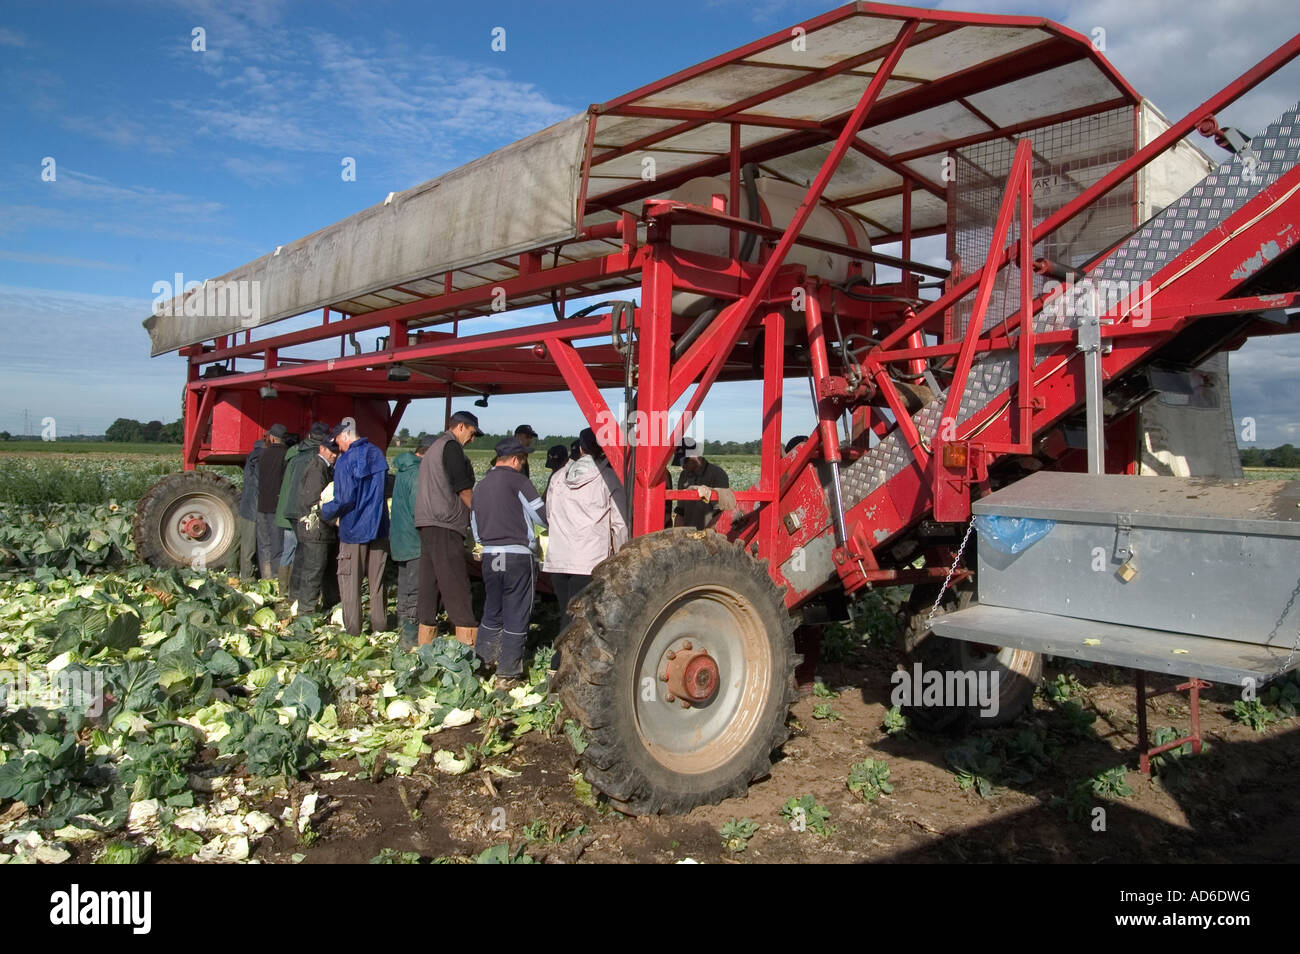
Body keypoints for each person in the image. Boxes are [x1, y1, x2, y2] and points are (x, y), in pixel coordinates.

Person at [544, 430, 629, 654]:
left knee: (566, 615)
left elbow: (550, 515)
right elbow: (619, 524)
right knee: (584, 624)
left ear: (580, 449)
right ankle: (564, 670)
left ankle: (556, 668)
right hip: (590, 560)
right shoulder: (609, 478)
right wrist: (622, 556)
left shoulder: (558, 477)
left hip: (559, 559)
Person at [471, 437, 547, 684]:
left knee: (493, 608)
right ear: (515, 459)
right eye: (523, 460)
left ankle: (483, 663)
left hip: (491, 556)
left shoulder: (481, 486)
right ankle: (508, 672)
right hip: (517, 556)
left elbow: (474, 526)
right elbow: (540, 516)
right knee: (516, 610)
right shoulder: (519, 481)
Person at [414, 410, 481, 647]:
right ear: (461, 427)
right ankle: (468, 648)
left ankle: (425, 644)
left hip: (427, 522)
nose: (472, 440)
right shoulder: (451, 448)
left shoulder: (433, 448)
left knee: (429, 584)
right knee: (456, 585)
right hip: (445, 522)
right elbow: (463, 488)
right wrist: (480, 514)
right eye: (472, 434)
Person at [320, 419, 391, 636]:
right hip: (379, 526)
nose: (337, 448)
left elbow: (345, 499)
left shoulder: (345, 461)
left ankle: (354, 631)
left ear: (345, 436)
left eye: (337, 443)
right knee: (377, 581)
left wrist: (325, 511)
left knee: (350, 581)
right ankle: (380, 626)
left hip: (354, 528)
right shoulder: (377, 454)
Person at [390, 433, 434, 649]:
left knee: (405, 586)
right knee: (416, 590)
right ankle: (410, 637)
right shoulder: (418, 474)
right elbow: (421, 511)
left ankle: (402, 629)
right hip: (414, 540)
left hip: (400, 538)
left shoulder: (404, 469)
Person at [279, 422, 329, 600]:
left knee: (297, 553)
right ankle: (304, 597)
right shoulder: (317, 459)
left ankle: (289, 593)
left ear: (309, 435)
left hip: (291, 509)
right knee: (308, 556)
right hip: (304, 510)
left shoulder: (296, 454)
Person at [291, 438, 339, 614]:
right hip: (315, 530)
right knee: (314, 570)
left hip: (318, 530)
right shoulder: (317, 469)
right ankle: (306, 610)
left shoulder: (322, 467)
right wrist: (333, 519)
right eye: (331, 451)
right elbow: (313, 501)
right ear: (322, 448)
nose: (334, 455)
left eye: (336, 451)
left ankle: (325, 605)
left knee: (320, 569)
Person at [673, 437, 729, 530]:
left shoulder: (717, 475)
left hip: (710, 534)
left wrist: (706, 535)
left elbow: (721, 513)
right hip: (688, 534)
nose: (683, 466)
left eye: (684, 461)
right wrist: (677, 534)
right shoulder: (684, 475)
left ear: (696, 456)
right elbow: (680, 511)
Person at [255, 424, 289, 579]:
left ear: (272, 437)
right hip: (277, 506)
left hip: (262, 504)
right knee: (278, 545)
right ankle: (277, 578)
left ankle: (266, 577)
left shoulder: (263, 454)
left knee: (264, 544)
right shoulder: (287, 455)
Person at [238, 438, 265, 580]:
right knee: (250, 547)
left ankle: (233, 571)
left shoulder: (251, 456)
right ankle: (247, 578)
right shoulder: (260, 458)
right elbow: (259, 482)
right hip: (254, 506)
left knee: (241, 541)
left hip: (247, 504)